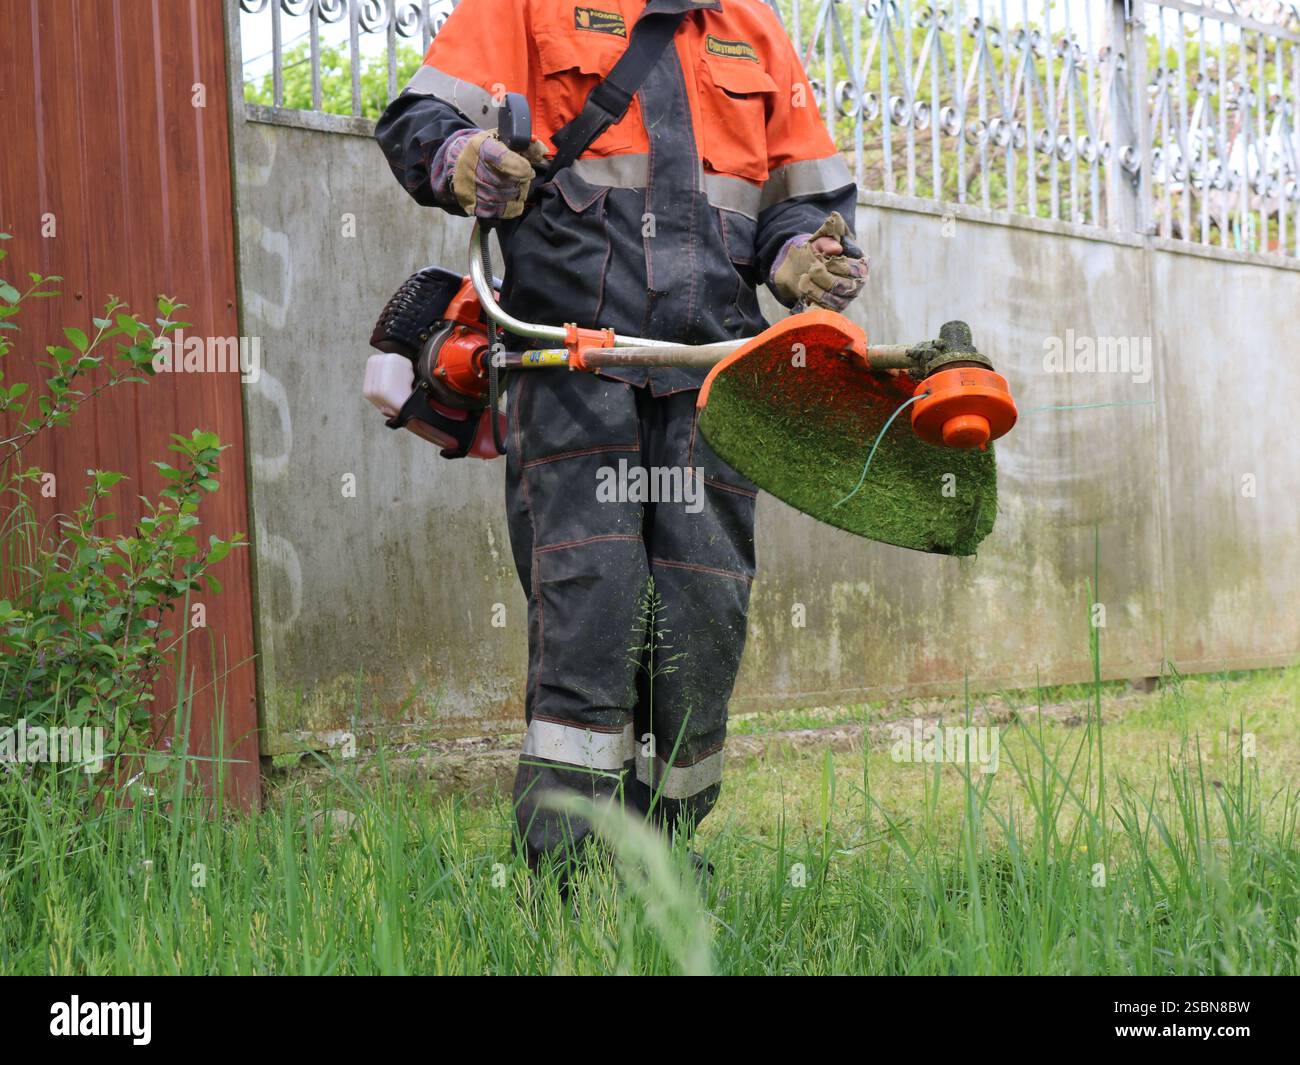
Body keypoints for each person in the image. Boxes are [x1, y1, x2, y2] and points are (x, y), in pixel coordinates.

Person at [376, 0, 866, 873]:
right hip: (568, 366)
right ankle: (568, 877)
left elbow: (805, 198)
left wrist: (803, 256)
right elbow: (420, 121)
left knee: (702, 620)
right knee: (593, 610)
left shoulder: (750, 26)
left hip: (711, 371)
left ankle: (665, 857)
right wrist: (467, 160)